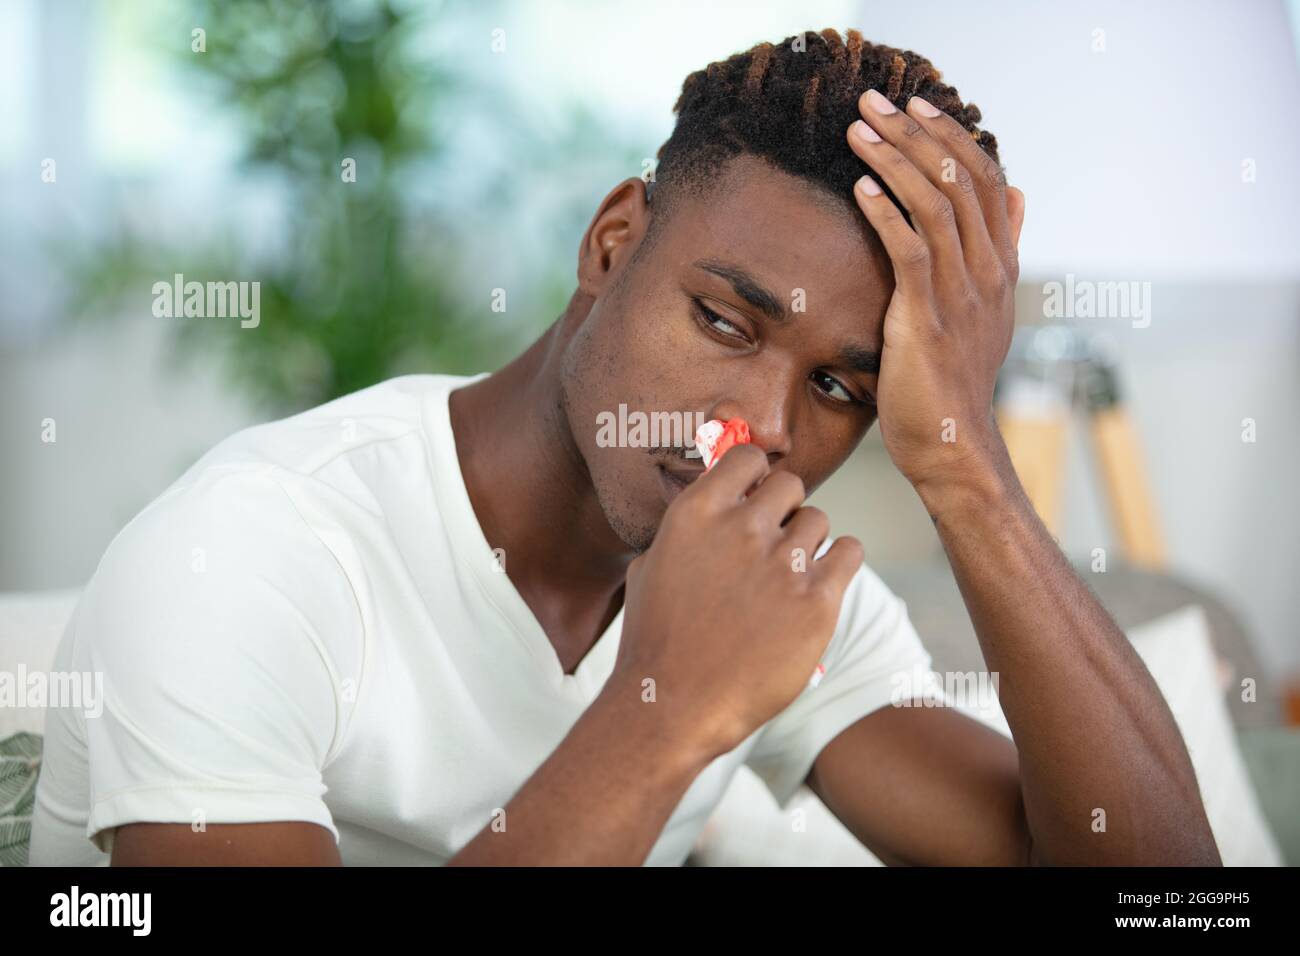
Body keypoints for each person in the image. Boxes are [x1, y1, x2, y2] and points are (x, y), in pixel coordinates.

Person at [31, 29, 1220, 866]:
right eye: (720, 319)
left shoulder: (776, 578)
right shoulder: (252, 557)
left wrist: (966, 464)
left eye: (838, 386)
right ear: (610, 245)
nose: (754, 423)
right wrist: (667, 711)